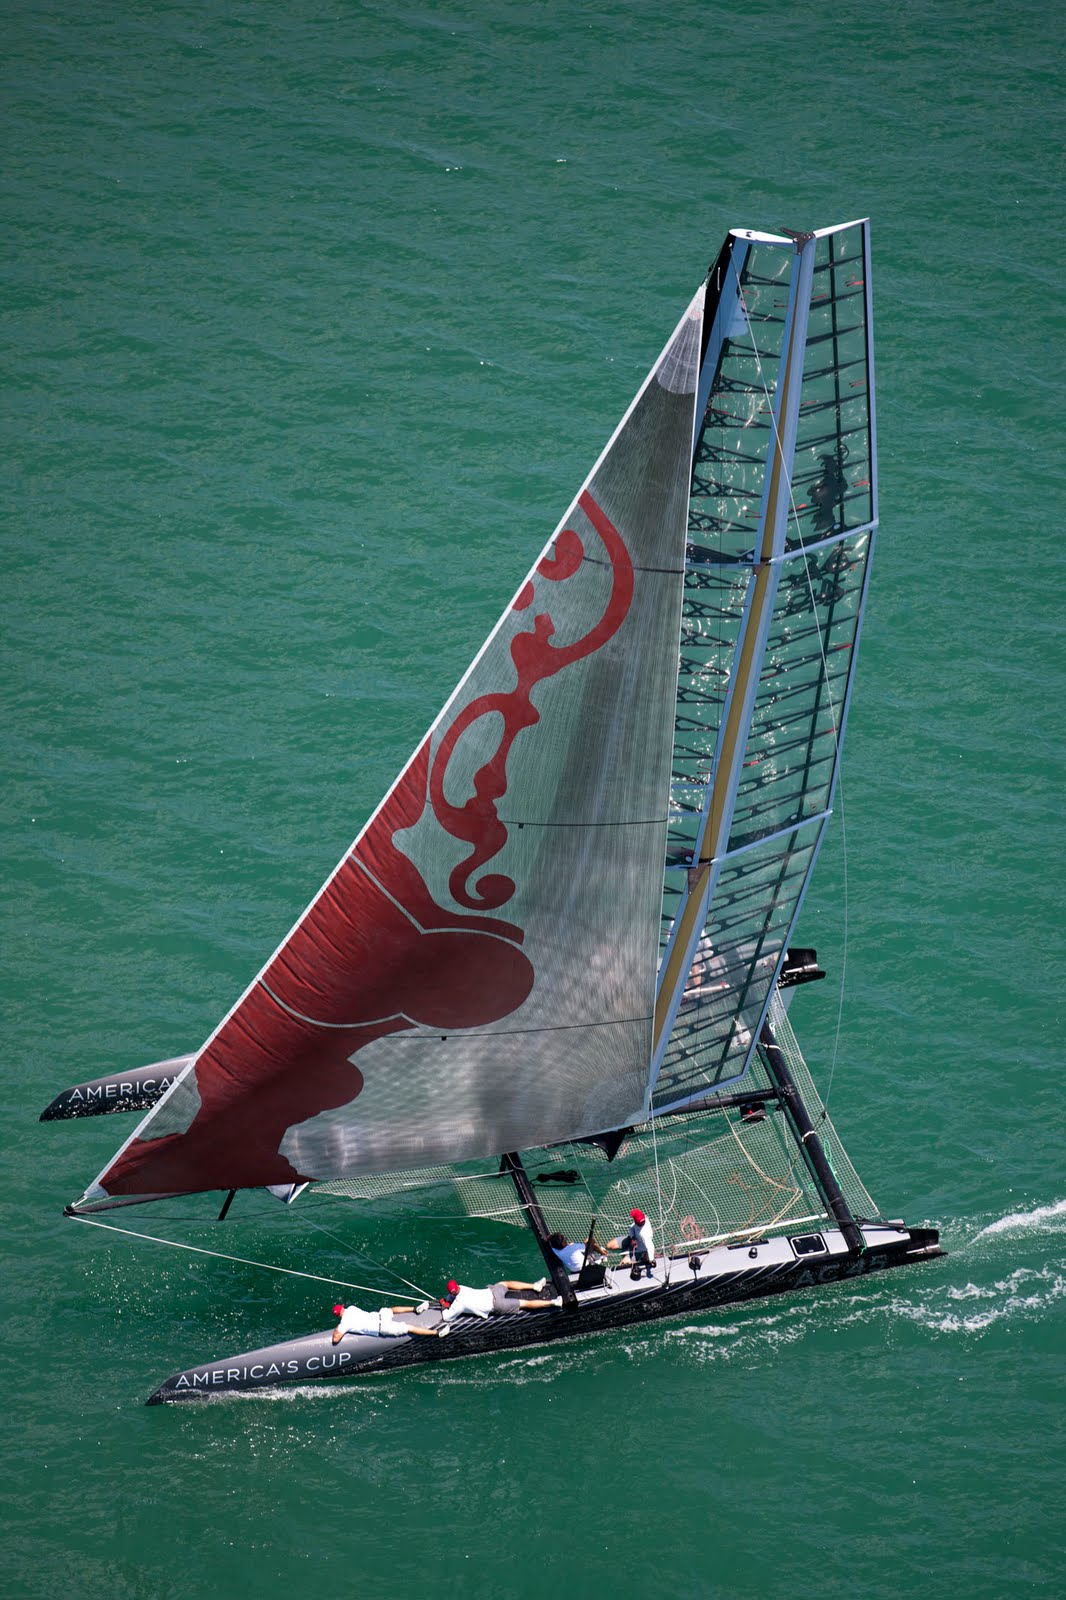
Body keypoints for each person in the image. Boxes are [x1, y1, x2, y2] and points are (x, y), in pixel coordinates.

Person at [436, 1276, 560, 1332]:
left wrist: (443, 1305)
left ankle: (553, 1302)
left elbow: (447, 1317)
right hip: (492, 1291)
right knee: (506, 1283)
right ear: (457, 1286)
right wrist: (447, 1300)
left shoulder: (459, 1304)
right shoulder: (462, 1288)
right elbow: (452, 1296)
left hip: (496, 1305)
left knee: (525, 1304)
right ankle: (535, 1286)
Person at [331, 1301, 439, 1344]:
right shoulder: (351, 1308)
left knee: (409, 1328)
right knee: (392, 1310)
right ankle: (415, 1309)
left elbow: (335, 1339)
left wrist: (338, 1327)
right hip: (379, 1315)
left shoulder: (344, 1324)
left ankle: (436, 1333)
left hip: (382, 1327)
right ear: (342, 1307)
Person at [606, 1209, 656, 1276]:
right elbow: (632, 1228)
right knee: (609, 1246)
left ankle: (639, 1255)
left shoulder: (644, 1234)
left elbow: (650, 1246)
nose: (641, 1223)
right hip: (632, 1239)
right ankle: (627, 1250)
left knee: (622, 1265)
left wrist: (651, 1259)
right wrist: (633, 1238)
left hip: (638, 1250)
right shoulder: (644, 1218)